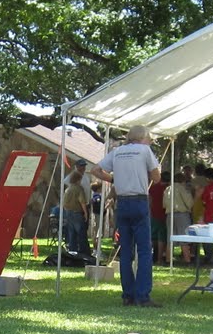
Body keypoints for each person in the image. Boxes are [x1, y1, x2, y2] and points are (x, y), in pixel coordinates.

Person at [94, 125, 161, 307]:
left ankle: (128, 295)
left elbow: (96, 170)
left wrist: (114, 179)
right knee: (144, 251)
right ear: (143, 138)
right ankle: (143, 295)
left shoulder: (117, 152)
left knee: (125, 251)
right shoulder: (145, 150)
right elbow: (156, 177)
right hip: (139, 201)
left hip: (122, 203)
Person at [61, 163, 91, 256]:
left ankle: (72, 252)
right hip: (77, 213)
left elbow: (64, 203)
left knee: (71, 234)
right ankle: (84, 252)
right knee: (81, 233)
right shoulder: (79, 189)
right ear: (78, 179)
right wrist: (85, 213)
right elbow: (82, 201)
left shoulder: (68, 190)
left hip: (68, 213)